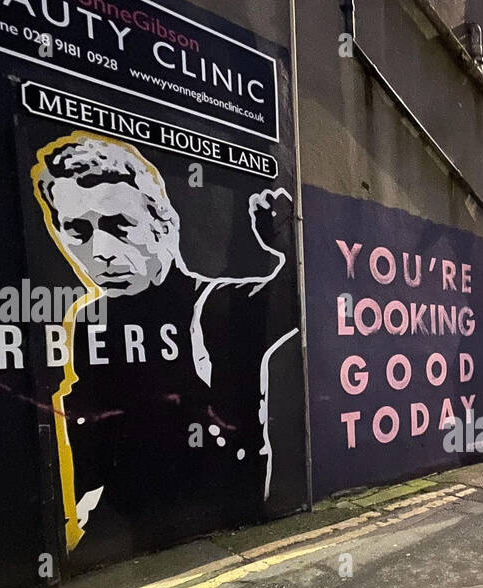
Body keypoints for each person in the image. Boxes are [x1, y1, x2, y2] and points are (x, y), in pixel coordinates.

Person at [32, 132, 296, 558]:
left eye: (119, 226)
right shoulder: (90, 317)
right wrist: (85, 498)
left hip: (216, 526)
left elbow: (303, 301)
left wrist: (282, 243)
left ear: (163, 224)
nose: (99, 252)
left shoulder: (213, 304)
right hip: (119, 526)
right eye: (77, 231)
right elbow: (94, 413)